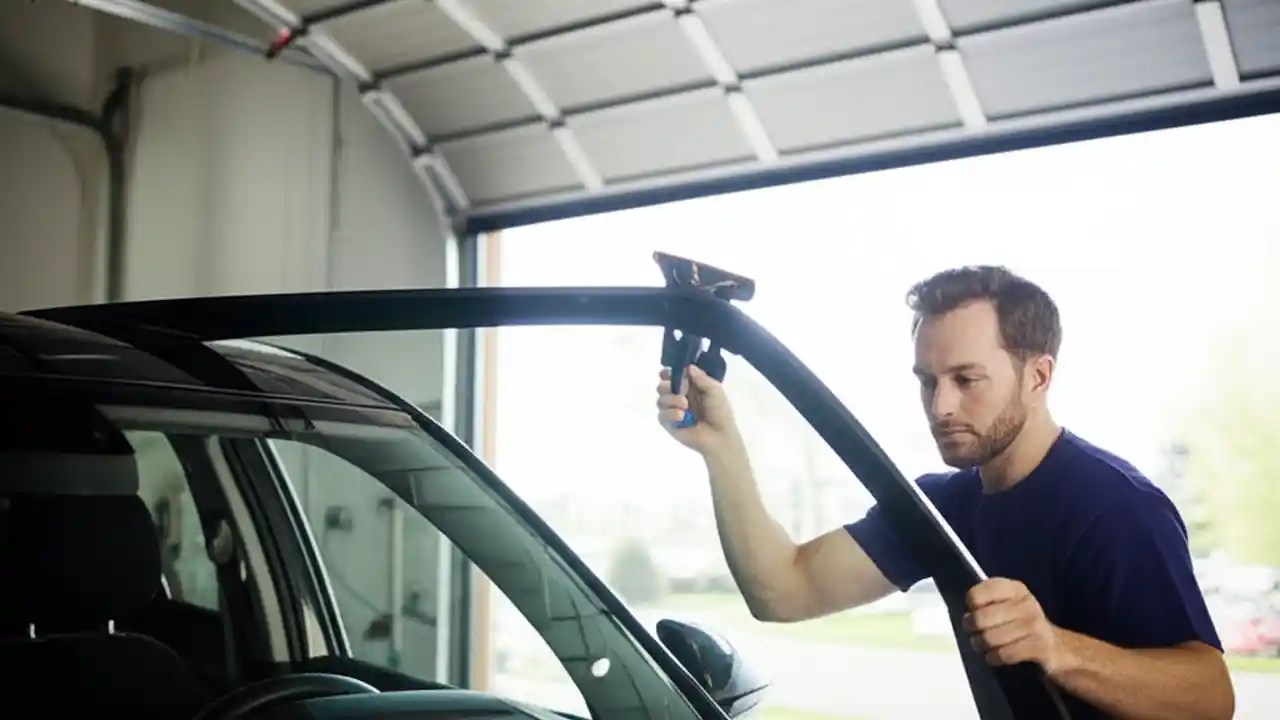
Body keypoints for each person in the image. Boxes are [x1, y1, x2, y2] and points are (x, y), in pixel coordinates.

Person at [655, 265, 1234, 720]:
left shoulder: (1116, 506)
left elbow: (1211, 698)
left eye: (966, 379)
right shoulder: (941, 507)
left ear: (1038, 376)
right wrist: (721, 447)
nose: (940, 406)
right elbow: (784, 590)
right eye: (927, 382)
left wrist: (1056, 648)